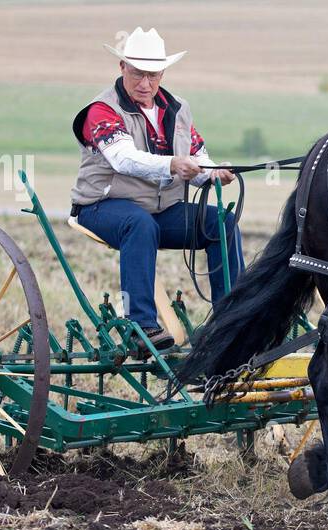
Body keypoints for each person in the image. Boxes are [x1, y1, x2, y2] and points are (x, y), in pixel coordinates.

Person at [70, 27, 244, 349]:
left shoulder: (177, 109)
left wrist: (212, 172)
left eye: (153, 75)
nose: (145, 83)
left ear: (163, 72)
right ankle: (141, 327)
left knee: (223, 223)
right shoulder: (102, 110)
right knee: (139, 223)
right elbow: (123, 159)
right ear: (122, 67)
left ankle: (231, 322)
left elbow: (196, 158)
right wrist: (172, 164)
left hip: (162, 209)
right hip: (102, 206)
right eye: (137, 74)